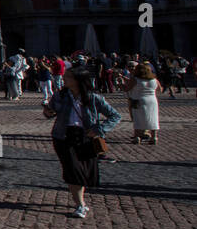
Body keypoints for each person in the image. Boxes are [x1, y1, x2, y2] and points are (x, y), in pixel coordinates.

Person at [42, 67, 122, 218]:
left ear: (78, 80)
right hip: (63, 136)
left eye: (68, 77)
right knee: (73, 170)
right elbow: (51, 112)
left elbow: (115, 116)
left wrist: (100, 129)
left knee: (84, 171)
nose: (64, 79)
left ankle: (79, 199)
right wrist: (48, 112)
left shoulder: (93, 98)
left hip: (86, 137)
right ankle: (80, 205)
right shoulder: (60, 95)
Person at [124, 62, 160, 144]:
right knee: (153, 118)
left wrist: (119, 85)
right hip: (152, 100)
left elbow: (127, 88)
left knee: (138, 118)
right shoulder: (154, 79)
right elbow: (160, 89)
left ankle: (137, 137)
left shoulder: (135, 79)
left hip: (138, 100)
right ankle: (154, 137)